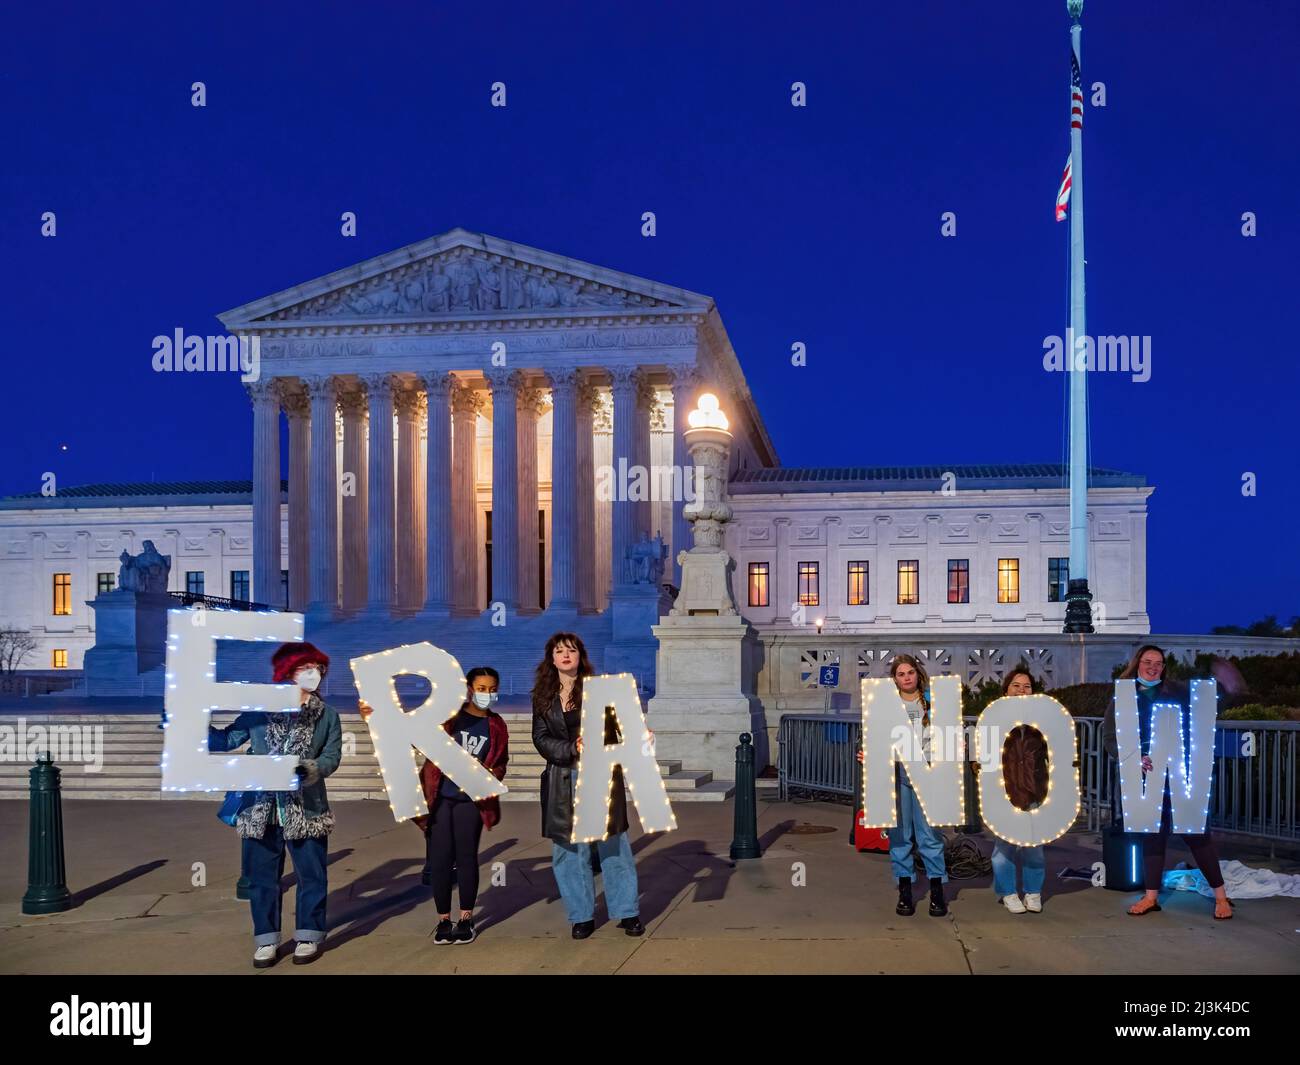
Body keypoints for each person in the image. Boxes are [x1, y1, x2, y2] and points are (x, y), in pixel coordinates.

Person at [210, 641, 342, 968]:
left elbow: (331, 756)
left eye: (318, 670)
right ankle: (266, 939)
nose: (314, 675)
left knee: (311, 875)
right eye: (305, 669)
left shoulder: (327, 715)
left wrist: (310, 769)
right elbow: (227, 740)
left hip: (306, 808)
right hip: (260, 808)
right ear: (287, 672)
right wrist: (186, 727)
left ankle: (308, 934)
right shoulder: (259, 712)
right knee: (262, 878)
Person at [359, 667, 509, 944]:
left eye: (491, 689)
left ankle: (466, 917)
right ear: (469, 689)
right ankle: (443, 920)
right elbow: (412, 735)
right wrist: (376, 717)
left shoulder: (497, 725)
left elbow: (501, 763)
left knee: (466, 858)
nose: (486, 694)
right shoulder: (448, 718)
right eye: (481, 688)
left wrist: (489, 774)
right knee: (440, 861)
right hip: (440, 798)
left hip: (471, 801)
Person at [1103, 644, 1232, 920]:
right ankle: (1151, 896)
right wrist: (1134, 758)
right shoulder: (1123, 697)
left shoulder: (1177, 691)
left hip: (1180, 773)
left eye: (1158, 663)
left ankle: (1221, 896)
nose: (1153, 667)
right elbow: (1110, 738)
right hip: (1143, 778)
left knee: (1196, 834)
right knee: (1152, 835)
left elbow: (1209, 703)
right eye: (1148, 661)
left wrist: (1224, 683)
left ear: (1164, 667)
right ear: (1137, 663)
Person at [531, 632, 645, 939]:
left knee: (613, 845)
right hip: (562, 779)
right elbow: (540, 738)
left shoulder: (599, 690)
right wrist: (570, 748)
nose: (566, 655)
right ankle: (581, 915)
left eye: (571, 650)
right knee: (569, 850)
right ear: (551, 658)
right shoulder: (542, 697)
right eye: (559, 651)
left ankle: (627, 911)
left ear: (580, 656)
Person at [857, 654, 948, 917]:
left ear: (918, 674)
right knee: (899, 836)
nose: (907, 677)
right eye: (901, 674)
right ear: (894, 679)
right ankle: (905, 890)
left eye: (910, 672)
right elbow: (876, 739)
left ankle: (937, 891)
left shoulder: (934, 701)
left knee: (930, 835)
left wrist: (956, 745)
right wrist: (869, 756)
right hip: (896, 773)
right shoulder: (887, 705)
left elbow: (948, 732)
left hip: (928, 772)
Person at [976, 667, 1048, 914]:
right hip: (1004, 791)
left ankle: (1033, 891)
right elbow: (980, 758)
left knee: (1034, 846)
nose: (1021, 690)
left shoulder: (1042, 722)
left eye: (1027, 686)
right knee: (1004, 847)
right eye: (1016, 685)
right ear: (1005, 690)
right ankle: (1008, 892)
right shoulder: (992, 720)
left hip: (1034, 791)